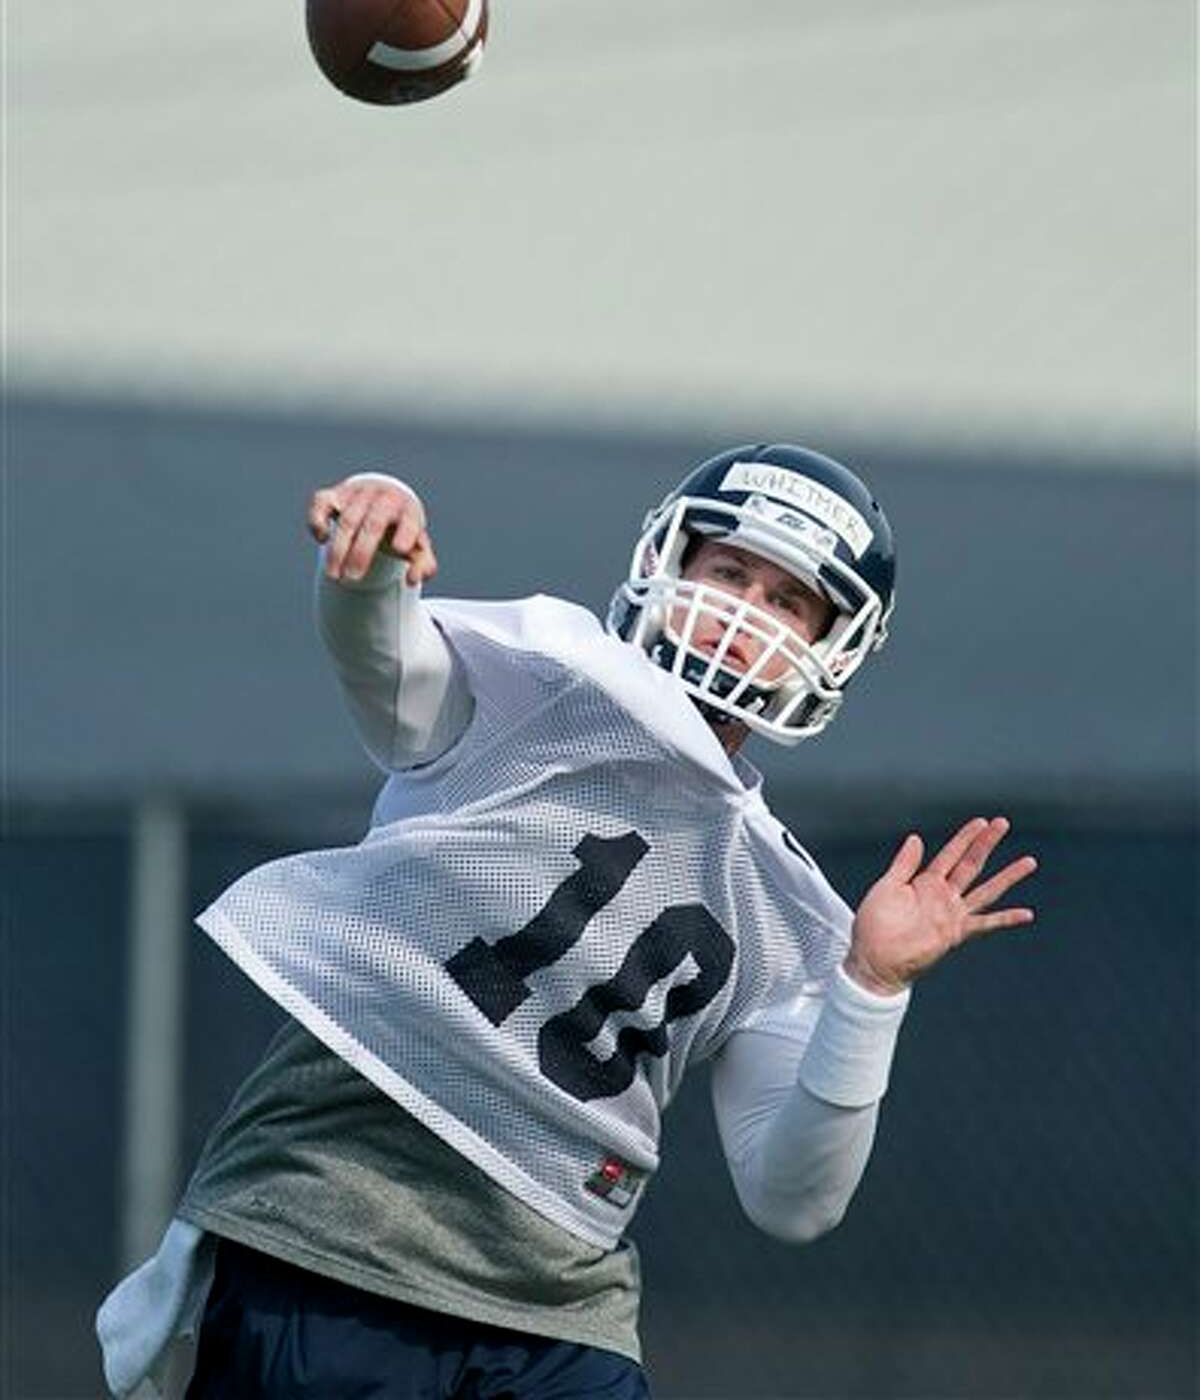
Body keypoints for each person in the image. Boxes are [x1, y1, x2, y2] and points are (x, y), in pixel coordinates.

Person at [97, 442, 1036, 1400]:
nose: (741, 614)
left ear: (835, 645)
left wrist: (869, 990)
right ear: (667, 566)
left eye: (786, 601)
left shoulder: (786, 906)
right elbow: (388, 664)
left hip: (557, 1299)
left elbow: (792, 1198)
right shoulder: (547, 675)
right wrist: (376, 559)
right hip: (340, 1220)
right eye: (728, 570)